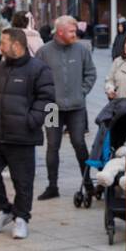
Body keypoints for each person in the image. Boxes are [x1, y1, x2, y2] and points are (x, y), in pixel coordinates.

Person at [0, 28, 55, 240]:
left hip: (22, 136)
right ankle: (4, 209)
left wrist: (31, 121)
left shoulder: (39, 69)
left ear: (16, 45)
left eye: (3, 42)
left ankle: (22, 218)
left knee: (23, 181)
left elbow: (46, 99)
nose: (0, 46)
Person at [36, 15, 97, 201]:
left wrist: (82, 92)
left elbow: (91, 73)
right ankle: (52, 186)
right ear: (60, 32)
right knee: (52, 145)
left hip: (76, 108)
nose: (75, 33)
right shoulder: (44, 52)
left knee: (79, 143)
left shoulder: (82, 49)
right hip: (52, 108)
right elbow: (37, 77)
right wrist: (45, 98)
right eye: (71, 31)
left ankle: (88, 184)